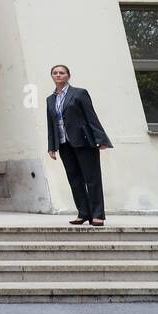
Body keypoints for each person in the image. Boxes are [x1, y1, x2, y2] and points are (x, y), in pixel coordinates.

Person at [46, 64, 112, 226]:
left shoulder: (79, 94)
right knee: (74, 180)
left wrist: (101, 139)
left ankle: (97, 215)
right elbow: (51, 124)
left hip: (83, 141)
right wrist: (51, 146)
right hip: (64, 144)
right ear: (52, 76)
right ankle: (83, 213)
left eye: (62, 73)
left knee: (92, 178)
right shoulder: (50, 99)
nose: (58, 75)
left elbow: (91, 116)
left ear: (68, 76)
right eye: (55, 73)